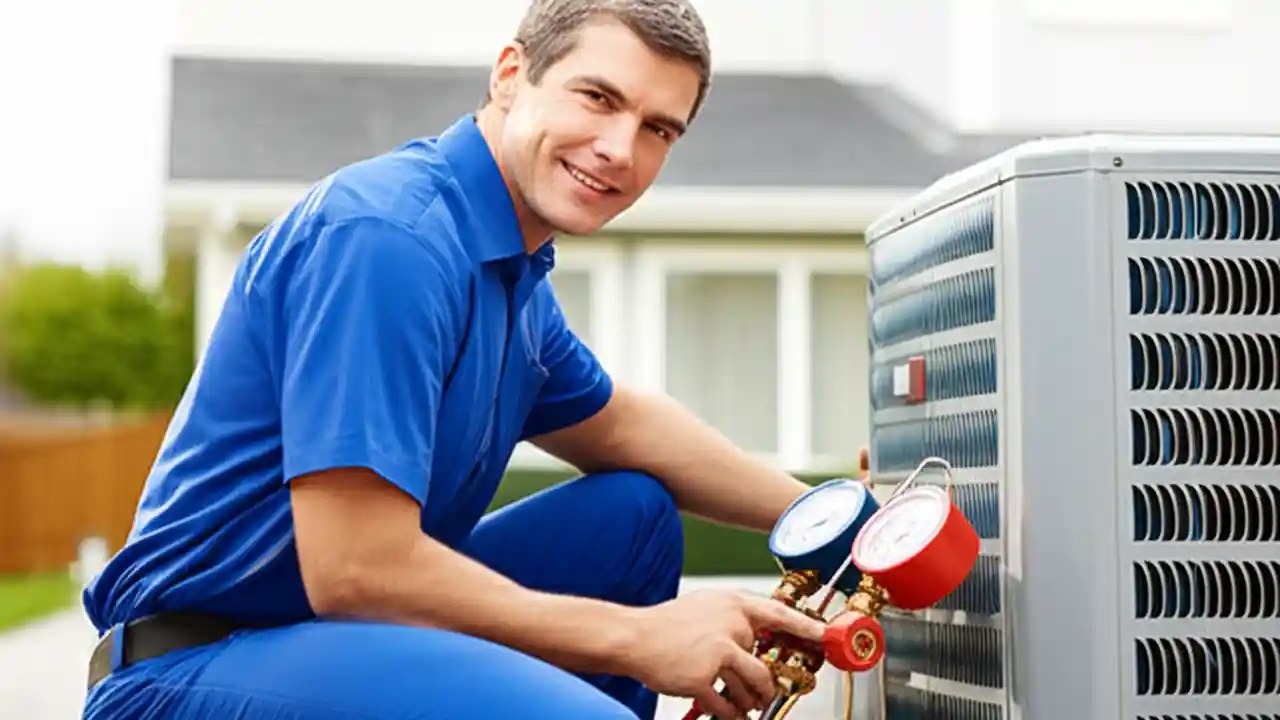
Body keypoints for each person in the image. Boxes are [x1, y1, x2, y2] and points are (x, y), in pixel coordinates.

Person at [81, 1, 828, 718]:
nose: (620, 149)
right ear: (510, 74)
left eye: (658, 129)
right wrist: (641, 640)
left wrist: (837, 522)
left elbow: (625, 424)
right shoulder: (390, 239)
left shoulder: (509, 272)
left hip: (336, 639)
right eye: (598, 98)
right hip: (190, 672)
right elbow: (356, 568)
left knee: (631, 514)